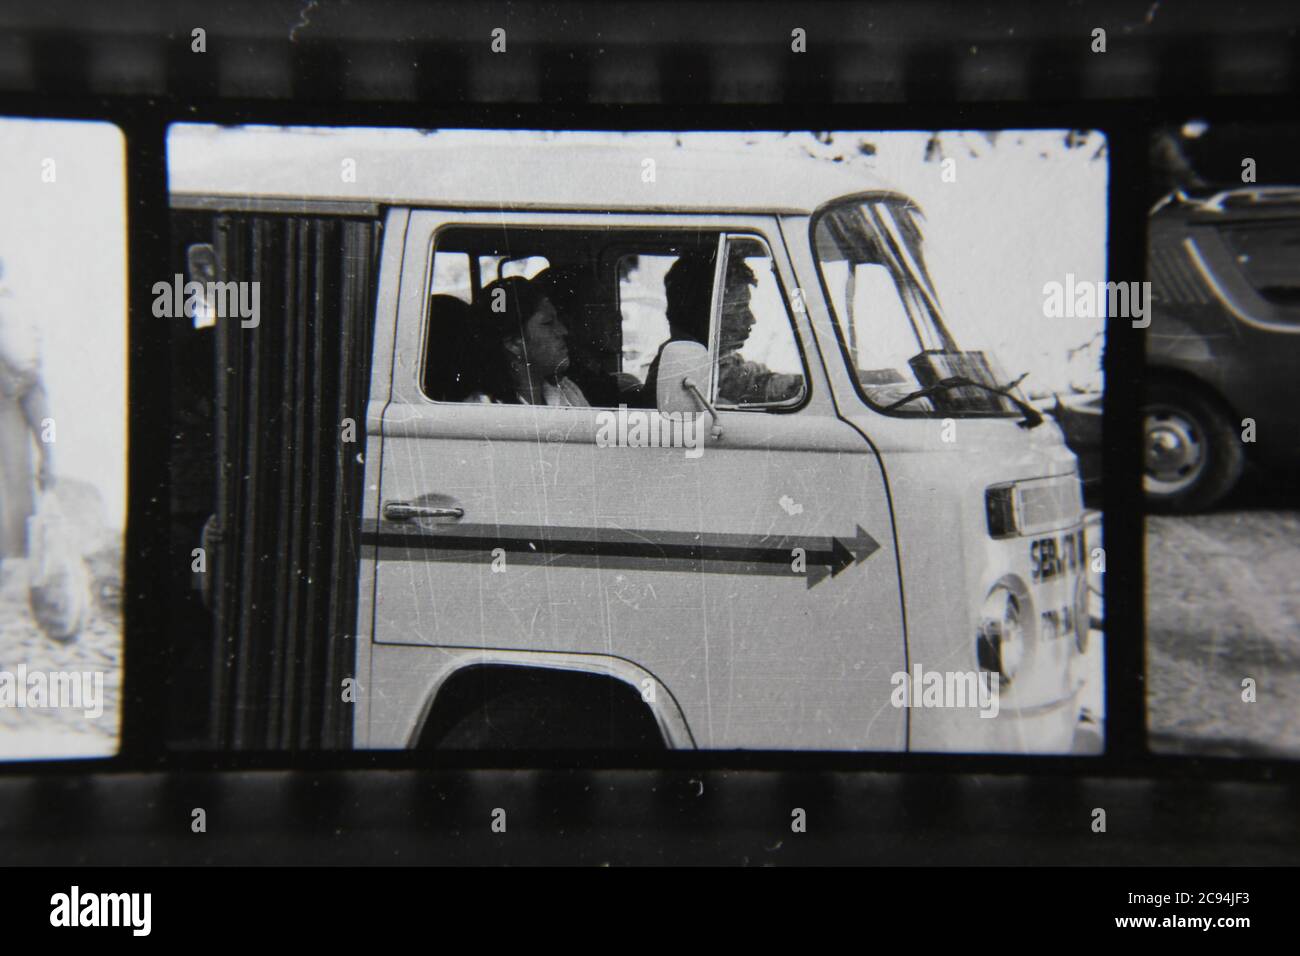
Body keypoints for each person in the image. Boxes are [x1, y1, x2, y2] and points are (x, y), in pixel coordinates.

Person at [643, 251, 802, 407]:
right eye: (740, 308)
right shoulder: (684, 365)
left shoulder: (711, 360)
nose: (751, 319)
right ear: (706, 313)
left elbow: (747, 380)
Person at [0, 263, 53, 592]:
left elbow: (34, 343)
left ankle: (21, 557)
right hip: (11, 388)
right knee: (14, 471)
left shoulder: (18, 304)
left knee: (47, 439)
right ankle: (14, 558)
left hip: (30, 383)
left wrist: (29, 374)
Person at [463, 276, 590, 407]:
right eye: (548, 323)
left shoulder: (568, 393)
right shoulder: (481, 411)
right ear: (514, 343)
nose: (563, 331)